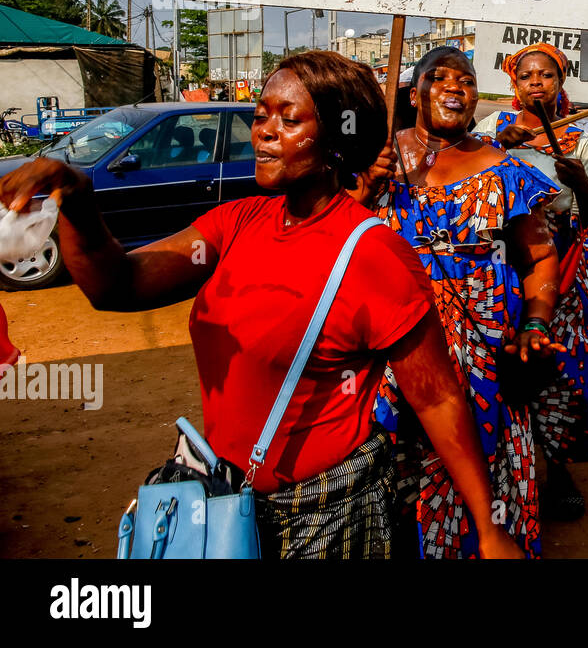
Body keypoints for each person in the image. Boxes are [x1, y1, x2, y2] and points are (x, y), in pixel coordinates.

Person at [0, 51, 521, 558]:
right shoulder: (236, 223)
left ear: (338, 139)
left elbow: (436, 397)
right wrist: (79, 197)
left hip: (329, 518)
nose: (264, 132)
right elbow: (119, 286)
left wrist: (488, 526)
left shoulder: (373, 255)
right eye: (261, 116)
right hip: (231, 503)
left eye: (289, 119)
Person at [353, 46, 562, 558]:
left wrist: (535, 325)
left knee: (481, 446)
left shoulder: (501, 167)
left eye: (466, 81)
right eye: (439, 77)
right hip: (395, 343)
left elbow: (537, 255)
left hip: (483, 350)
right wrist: (363, 188)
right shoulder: (378, 159)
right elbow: (332, 240)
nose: (454, 87)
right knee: (398, 449)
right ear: (412, 92)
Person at [476, 42, 588, 520]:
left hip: (562, 270)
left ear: (560, 83)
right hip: (499, 266)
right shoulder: (489, 131)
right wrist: (496, 147)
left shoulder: (581, 142)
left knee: (559, 369)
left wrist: (580, 185)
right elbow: (457, 176)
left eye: (547, 75)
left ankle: (557, 469)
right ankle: (503, 466)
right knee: (501, 364)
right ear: (513, 84)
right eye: (527, 75)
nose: (537, 83)